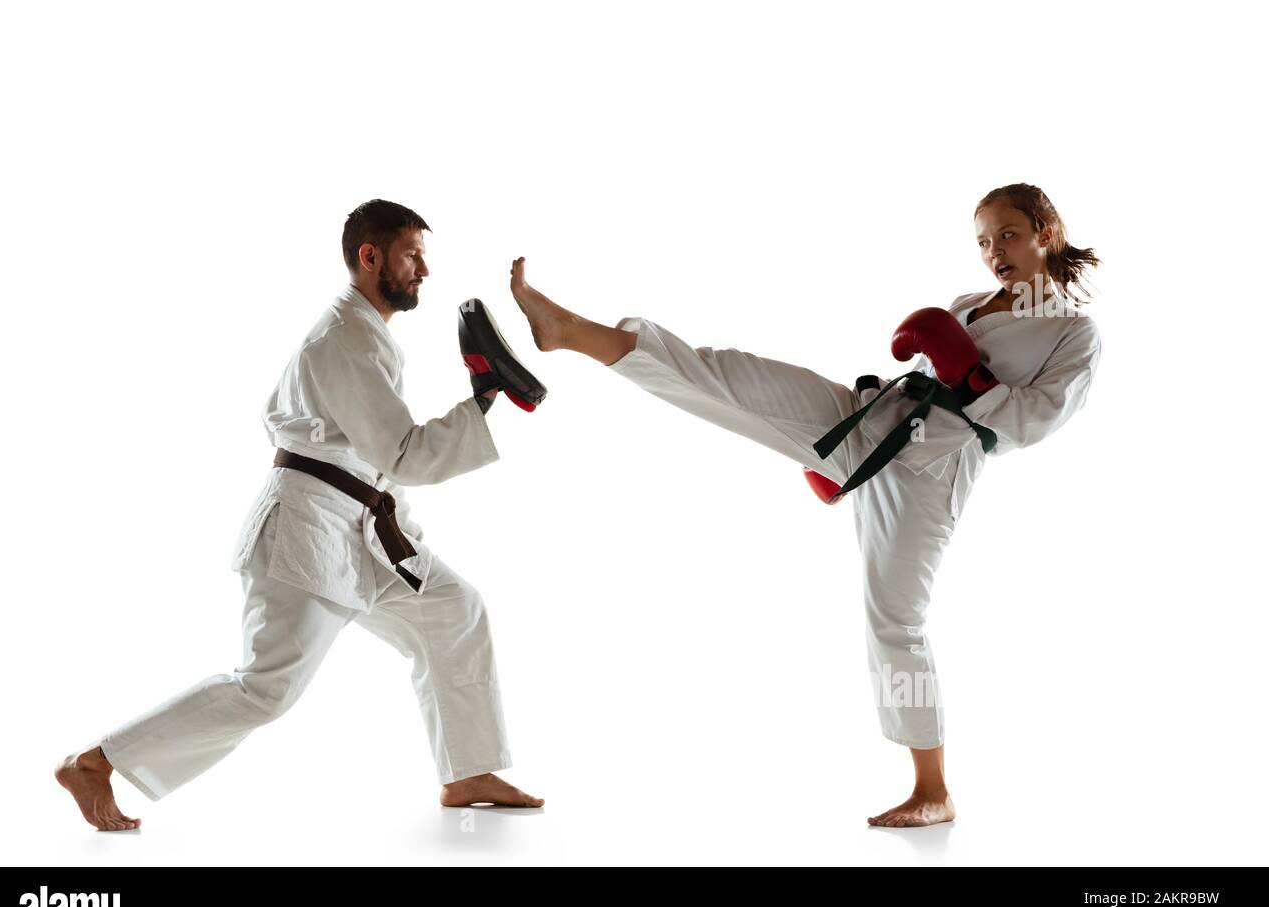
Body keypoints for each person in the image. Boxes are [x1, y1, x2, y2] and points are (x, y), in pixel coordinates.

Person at [506, 183, 1101, 827]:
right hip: (867, 422)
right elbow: (925, 374)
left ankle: (933, 789)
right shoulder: (968, 303)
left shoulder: (1073, 331)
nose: (994, 253)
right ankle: (570, 331)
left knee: (895, 622)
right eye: (983, 241)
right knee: (729, 374)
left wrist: (971, 376)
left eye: (1008, 236)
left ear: (1045, 231)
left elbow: (1029, 424)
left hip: (927, 474)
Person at [56, 200, 544, 831]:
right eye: (411, 254)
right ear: (370, 257)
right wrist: (481, 401)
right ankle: (97, 762)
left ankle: (467, 770)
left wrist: (479, 402)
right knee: (266, 689)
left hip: (363, 531)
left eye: (424, 256)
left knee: (454, 609)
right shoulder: (346, 338)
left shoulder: (366, 334)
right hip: (306, 535)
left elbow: (386, 459)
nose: (424, 269)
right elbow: (405, 453)